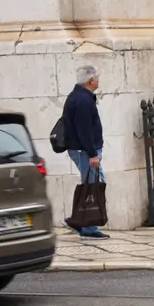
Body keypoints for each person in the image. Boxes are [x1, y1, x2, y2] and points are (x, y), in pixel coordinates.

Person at [60, 65, 107, 239]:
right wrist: (93, 153)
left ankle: (79, 221)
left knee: (93, 185)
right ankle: (86, 226)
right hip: (85, 151)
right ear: (90, 80)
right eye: (97, 78)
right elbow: (84, 131)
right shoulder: (82, 100)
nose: (98, 81)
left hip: (85, 150)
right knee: (92, 187)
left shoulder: (80, 97)